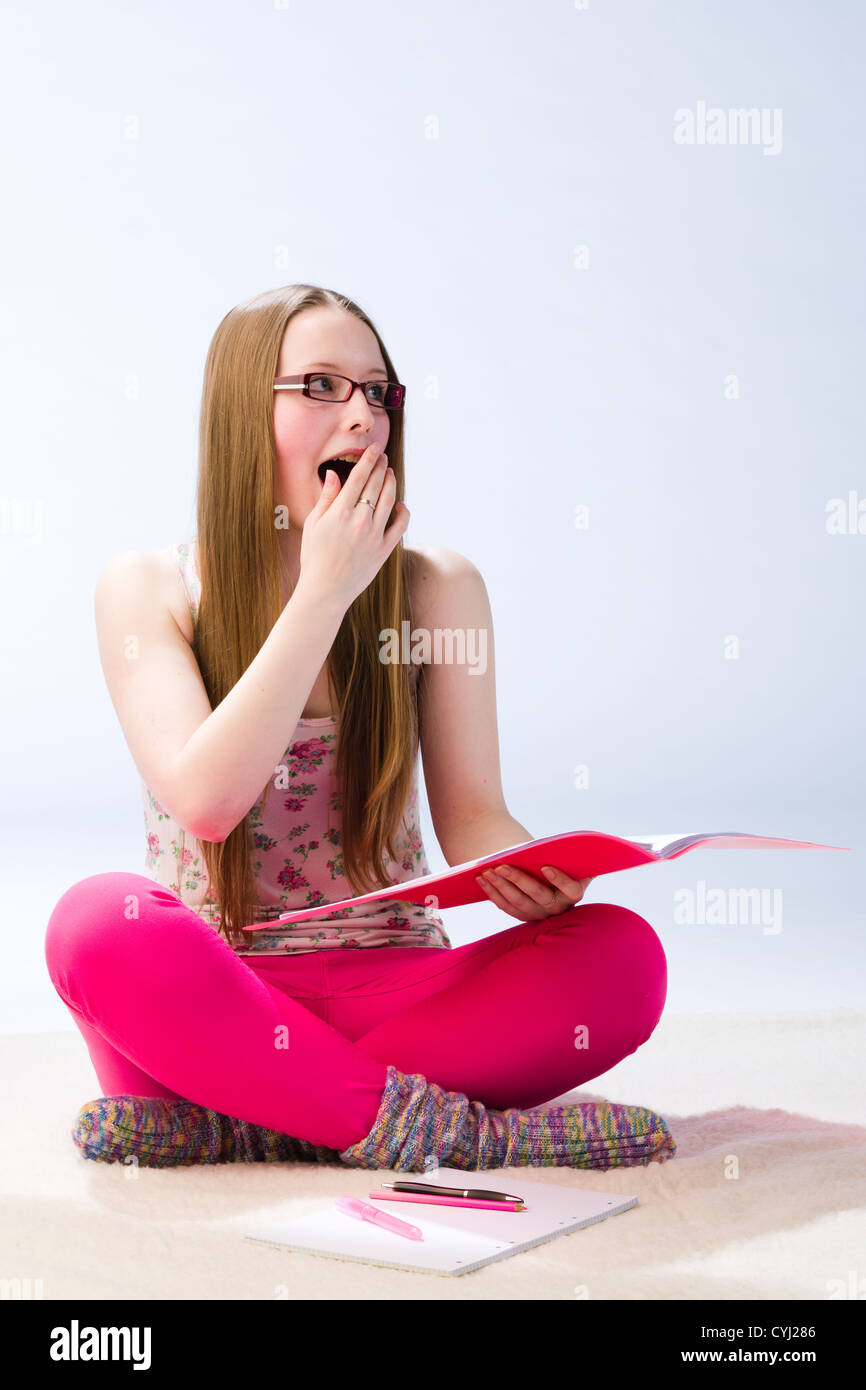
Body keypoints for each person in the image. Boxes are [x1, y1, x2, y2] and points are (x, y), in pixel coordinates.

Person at [44, 283, 675, 1172]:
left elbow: (476, 821)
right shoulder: (146, 587)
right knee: (92, 925)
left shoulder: (437, 587)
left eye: (378, 391)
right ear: (240, 414)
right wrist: (324, 593)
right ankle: (458, 1135)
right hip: (222, 998)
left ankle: (254, 1123)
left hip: (399, 987)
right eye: (323, 387)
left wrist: (539, 866)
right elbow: (208, 802)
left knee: (623, 957)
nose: (364, 418)